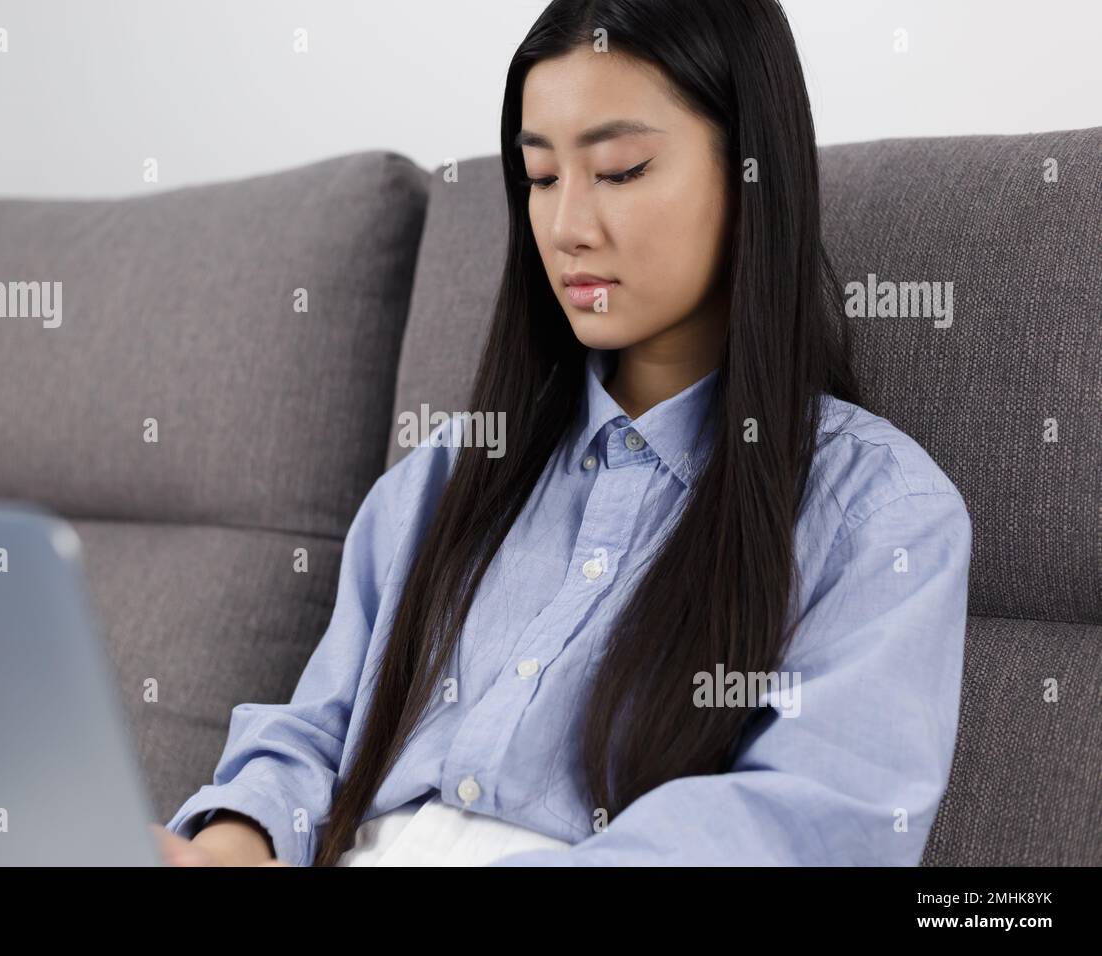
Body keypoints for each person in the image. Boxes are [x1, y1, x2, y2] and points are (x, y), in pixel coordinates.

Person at [153, 0, 972, 867]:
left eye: (619, 170)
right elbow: (318, 732)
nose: (566, 228)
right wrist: (231, 842)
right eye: (541, 178)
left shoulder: (878, 517)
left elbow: (801, 828)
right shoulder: (447, 477)